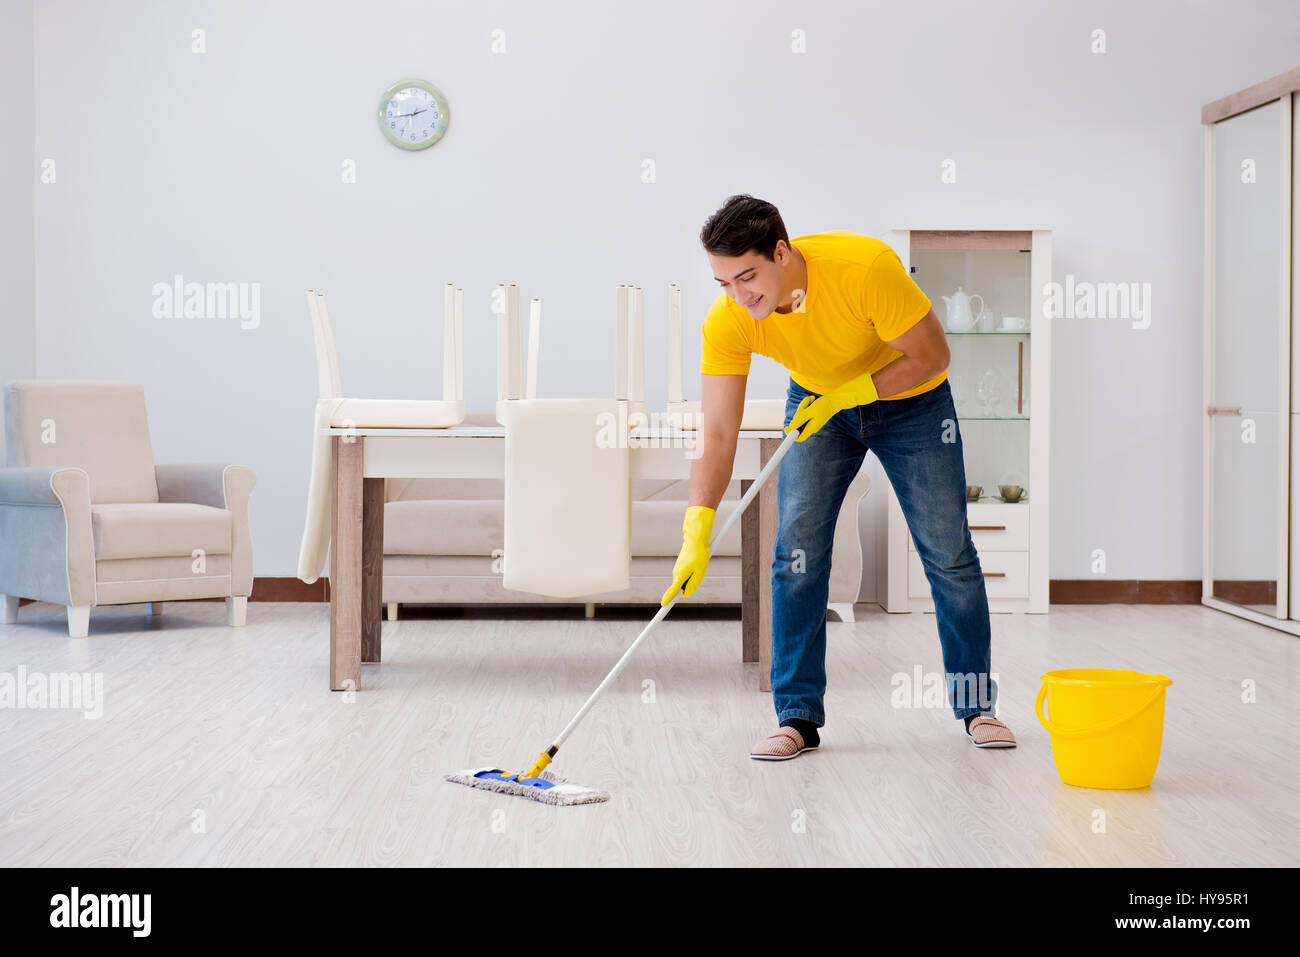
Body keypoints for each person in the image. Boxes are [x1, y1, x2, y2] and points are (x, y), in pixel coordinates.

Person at [661, 194, 1016, 758]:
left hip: (912, 400)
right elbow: (719, 431)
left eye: (747, 276)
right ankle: (796, 717)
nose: (738, 295)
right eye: (723, 283)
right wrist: (696, 526)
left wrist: (855, 392)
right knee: (796, 551)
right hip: (817, 401)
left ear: (781, 253)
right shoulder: (729, 321)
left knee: (947, 550)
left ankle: (978, 708)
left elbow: (934, 355)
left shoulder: (864, 269)